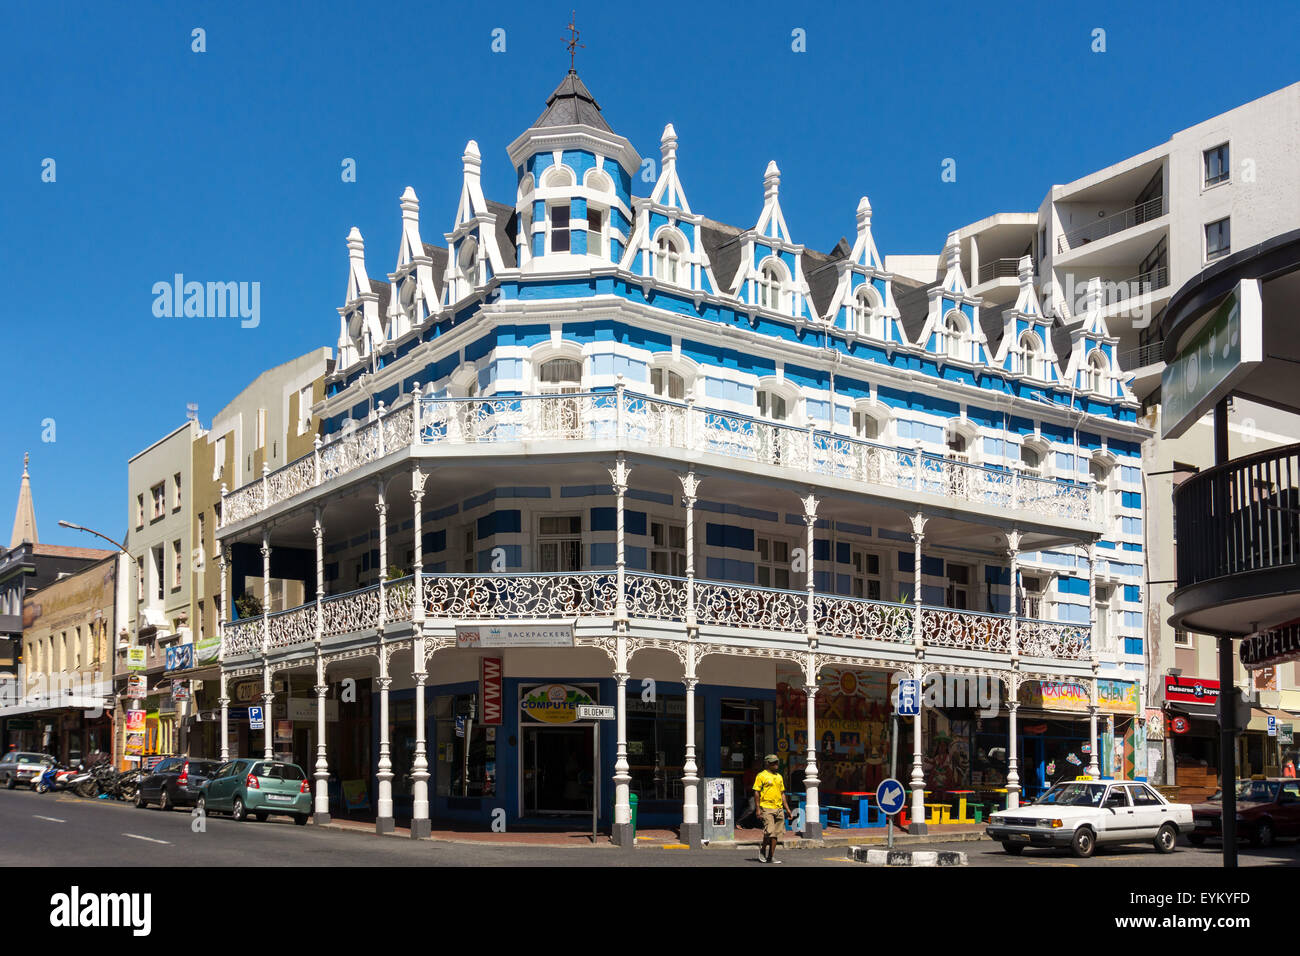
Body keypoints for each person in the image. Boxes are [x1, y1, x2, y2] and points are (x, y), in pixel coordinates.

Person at [751, 754, 792, 864]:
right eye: (774, 763)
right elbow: (756, 792)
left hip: (778, 808)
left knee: (776, 834)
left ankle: (771, 856)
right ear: (768, 764)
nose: (776, 765)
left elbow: (782, 793)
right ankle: (763, 850)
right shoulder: (761, 775)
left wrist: (787, 809)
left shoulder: (779, 777)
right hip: (766, 808)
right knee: (770, 832)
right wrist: (758, 809)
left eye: (777, 762)